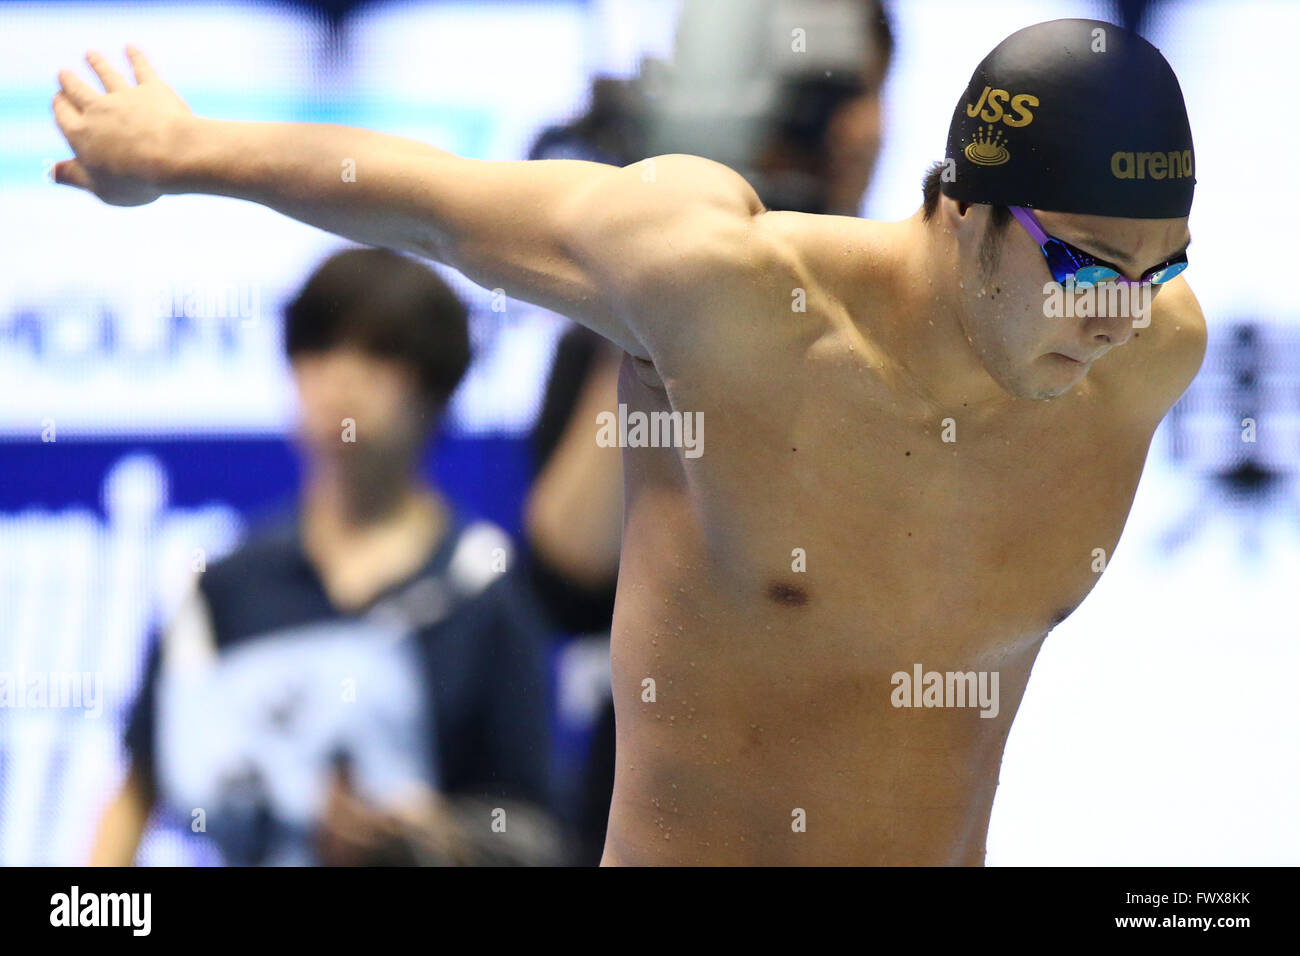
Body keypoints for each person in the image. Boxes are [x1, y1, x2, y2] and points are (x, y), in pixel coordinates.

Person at [57, 17, 1205, 864]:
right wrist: (173, 151)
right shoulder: (731, 288)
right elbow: (433, 200)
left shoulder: (1152, 353)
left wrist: (1126, 283)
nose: (1120, 311)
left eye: (1161, 267)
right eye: (1086, 263)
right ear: (966, 207)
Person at [523, 0, 893, 864]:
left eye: (855, 92)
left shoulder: (925, 322)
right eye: (811, 100)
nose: (840, 130)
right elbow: (566, 568)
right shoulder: (630, 312)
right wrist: (667, 278)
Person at [90, 248, 557, 866]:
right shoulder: (223, 587)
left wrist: (433, 835)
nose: (342, 378)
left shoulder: (481, 588)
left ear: (436, 392)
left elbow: (537, 833)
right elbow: (136, 789)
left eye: (380, 355)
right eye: (318, 349)